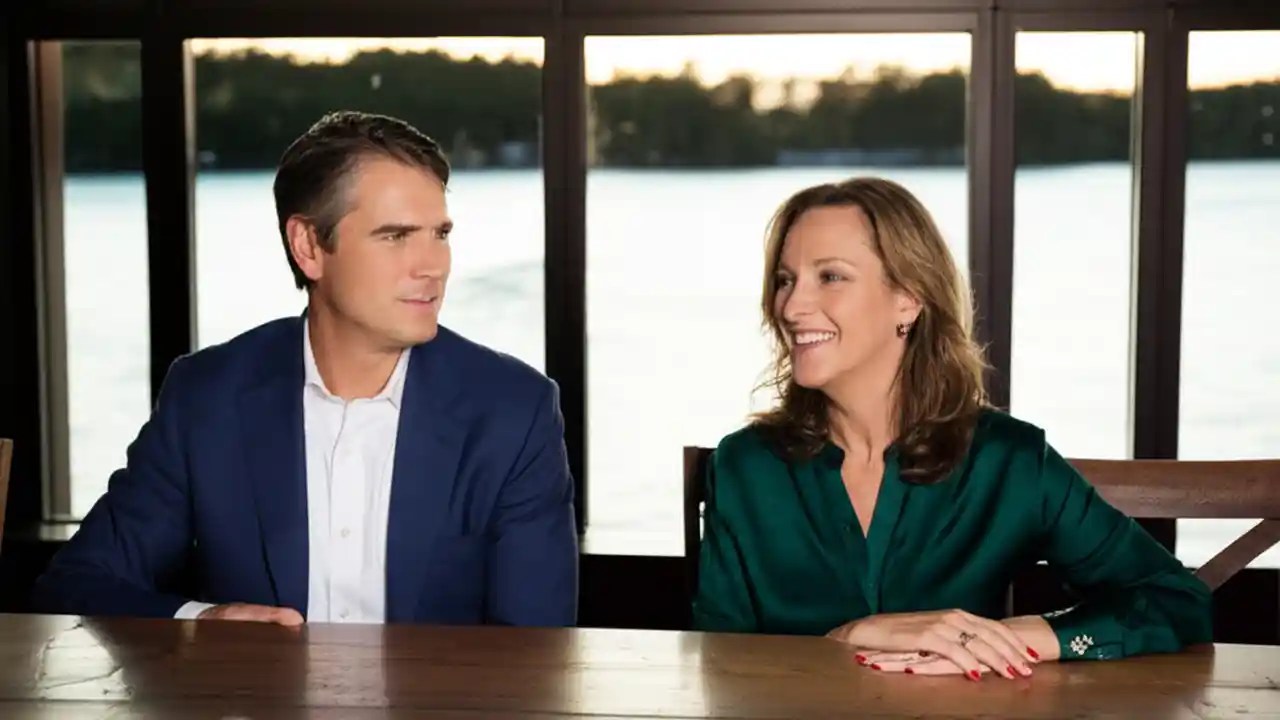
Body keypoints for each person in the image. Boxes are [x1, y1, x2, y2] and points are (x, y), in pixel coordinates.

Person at [32, 111, 578, 627]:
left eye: (440, 233)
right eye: (395, 236)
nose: (434, 265)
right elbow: (77, 583)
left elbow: (535, 651)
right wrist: (201, 624)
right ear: (309, 246)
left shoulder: (513, 411)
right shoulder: (208, 397)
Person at [691, 177, 1211, 678]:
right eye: (786, 280)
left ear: (909, 299)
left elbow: (1176, 600)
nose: (792, 306)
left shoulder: (1009, 459)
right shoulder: (744, 466)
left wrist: (1023, 638)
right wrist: (849, 638)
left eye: (830, 276)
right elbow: (718, 664)